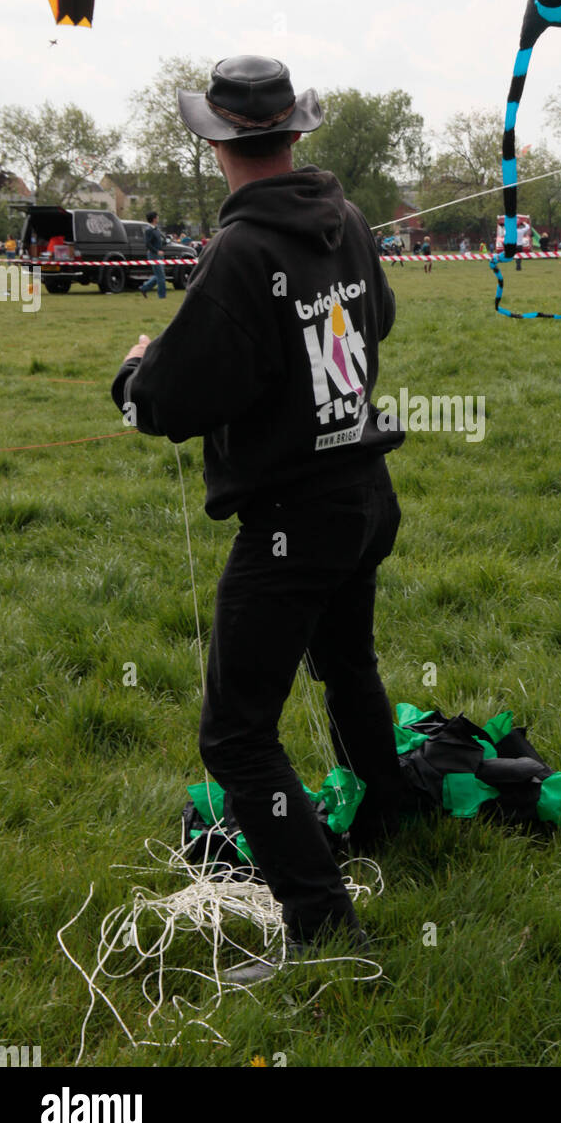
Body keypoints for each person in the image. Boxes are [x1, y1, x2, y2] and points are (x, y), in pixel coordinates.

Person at [110, 56, 406, 965]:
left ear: (215, 144)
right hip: (363, 497)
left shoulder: (241, 250)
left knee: (236, 736)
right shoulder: (345, 219)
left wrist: (133, 374)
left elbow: (170, 401)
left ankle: (322, 926)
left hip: (295, 521)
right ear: (297, 133)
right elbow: (376, 319)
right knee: (347, 664)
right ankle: (392, 822)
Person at [139, 212, 167, 298]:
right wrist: (156, 251)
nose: (158, 218)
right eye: (157, 217)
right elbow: (148, 244)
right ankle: (162, 296)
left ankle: (144, 288)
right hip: (154, 255)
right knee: (161, 277)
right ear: (154, 219)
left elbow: (158, 241)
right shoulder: (149, 230)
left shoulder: (156, 229)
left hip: (160, 255)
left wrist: (164, 243)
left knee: (159, 275)